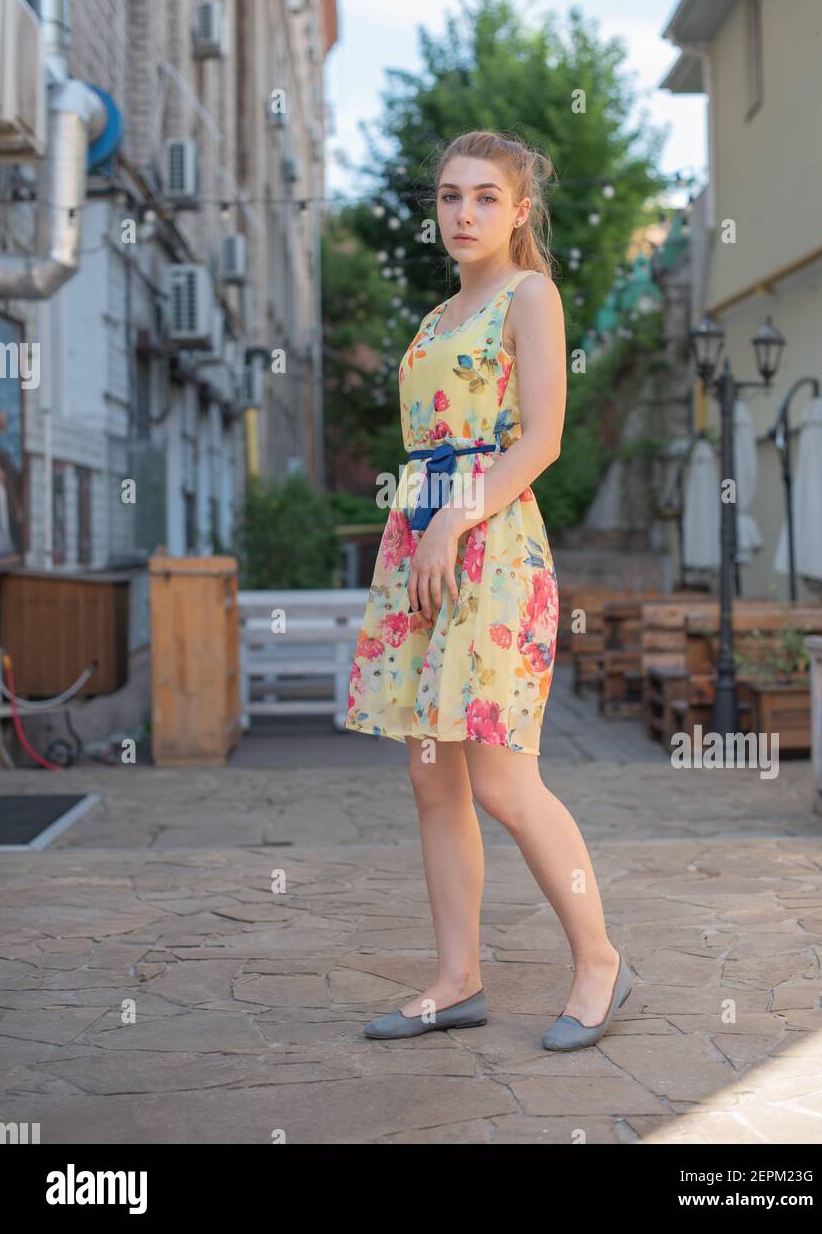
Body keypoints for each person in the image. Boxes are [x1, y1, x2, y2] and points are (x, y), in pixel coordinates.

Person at [346, 130, 632, 1050]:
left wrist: (450, 523)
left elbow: (540, 439)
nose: (462, 213)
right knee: (432, 781)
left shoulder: (530, 295)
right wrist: (421, 532)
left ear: (518, 211)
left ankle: (598, 962)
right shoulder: (432, 321)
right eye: (447, 197)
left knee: (505, 781)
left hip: (487, 544)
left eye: (482, 197)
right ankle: (457, 979)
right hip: (421, 544)